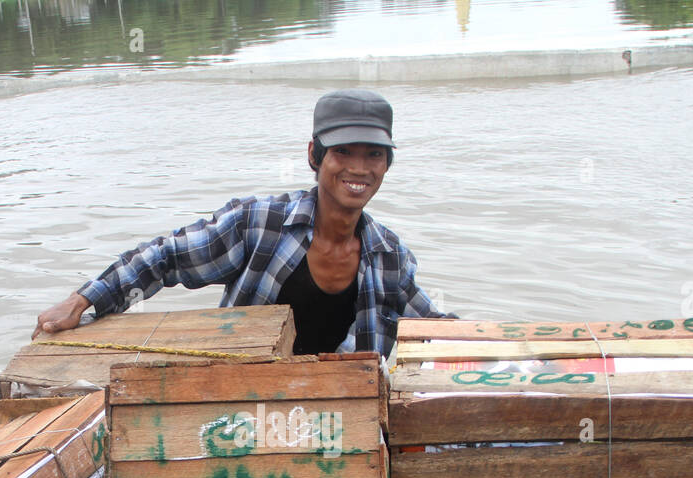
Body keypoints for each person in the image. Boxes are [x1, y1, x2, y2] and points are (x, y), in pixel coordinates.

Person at [34, 89, 453, 358]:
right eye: (343, 152)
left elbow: (433, 330)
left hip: (341, 423)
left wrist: (505, 350)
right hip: (244, 407)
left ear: (387, 164)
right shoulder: (258, 226)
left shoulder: (390, 258)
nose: (358, 169)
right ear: (315, 155)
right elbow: (165, 258)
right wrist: (82, 301)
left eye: (374, 155)